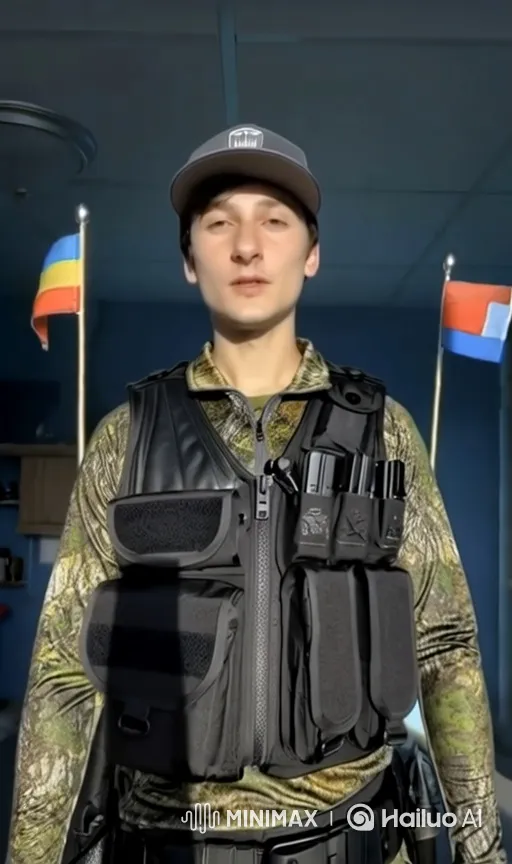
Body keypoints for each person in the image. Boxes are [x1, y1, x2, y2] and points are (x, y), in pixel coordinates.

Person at [6, 124, 506, 864]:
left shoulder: (386, 433)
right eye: (218, 223)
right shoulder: (125, 439)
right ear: (188, 260)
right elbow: (62, 675)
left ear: (311, 254)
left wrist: (482, 847)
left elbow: (445, 647)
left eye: (274, 220)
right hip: (167, 842)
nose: (247, 245)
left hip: (353, 839)